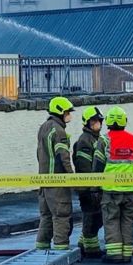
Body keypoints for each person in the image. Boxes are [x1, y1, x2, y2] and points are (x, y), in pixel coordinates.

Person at [101, 106, 133, 264]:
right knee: (128, 221)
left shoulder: (104, 140)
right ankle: (127, 254)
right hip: (132, 190)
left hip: (111, 190)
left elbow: (97, 166)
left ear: (107, 121)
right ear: (125, 121)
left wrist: (94, 187)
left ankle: (114, 254)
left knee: (111, 220)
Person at [36, 96, 75, 251]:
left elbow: (39, 154)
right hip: (57, 182)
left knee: (46, 217)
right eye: (67, 112)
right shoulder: (59, 131)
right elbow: (63, 156)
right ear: (60, 112)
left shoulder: (43, 127)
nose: (69, 115)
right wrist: (72, 178)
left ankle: (41, 247)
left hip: (44, 180)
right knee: (61, 216)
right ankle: (61, 249)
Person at [73, 107, 108, 258]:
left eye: (98, 121)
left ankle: (83, 244)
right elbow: (84, 167)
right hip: (88, 187)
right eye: (94, 121)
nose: (97, 123)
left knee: (93, 216)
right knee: (92, 217)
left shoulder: (95, 139)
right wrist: (93, 187)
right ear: (87, 123)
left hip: (94, 186)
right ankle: (91, 249)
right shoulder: (84, 140)